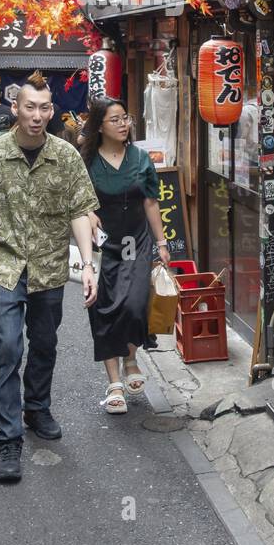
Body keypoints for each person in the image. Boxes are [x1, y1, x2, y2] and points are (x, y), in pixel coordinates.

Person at [0, 71, 99, 483]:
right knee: (6, 348)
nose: (37, 116)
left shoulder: (66, 156)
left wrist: (88, 265)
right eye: (29, 108)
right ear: (15, 108)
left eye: (44, 108)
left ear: (51, 111)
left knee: (46, 343)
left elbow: (79, 212)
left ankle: (37, 407)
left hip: (50, 267)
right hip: (3, 266)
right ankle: (8, 439)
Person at [78, 97, 171, 415]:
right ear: (99, 126)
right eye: (115, 119)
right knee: (103, 309)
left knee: (133, 304)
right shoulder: (87, 162)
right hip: (103, 246)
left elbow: (150, 203)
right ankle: (114, 383)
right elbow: (78, 201)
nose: (123, 124)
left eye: (125, 118)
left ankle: (131, 357)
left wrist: (161, 242)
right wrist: (88, 212)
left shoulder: (141, 158)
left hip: (137, 242)